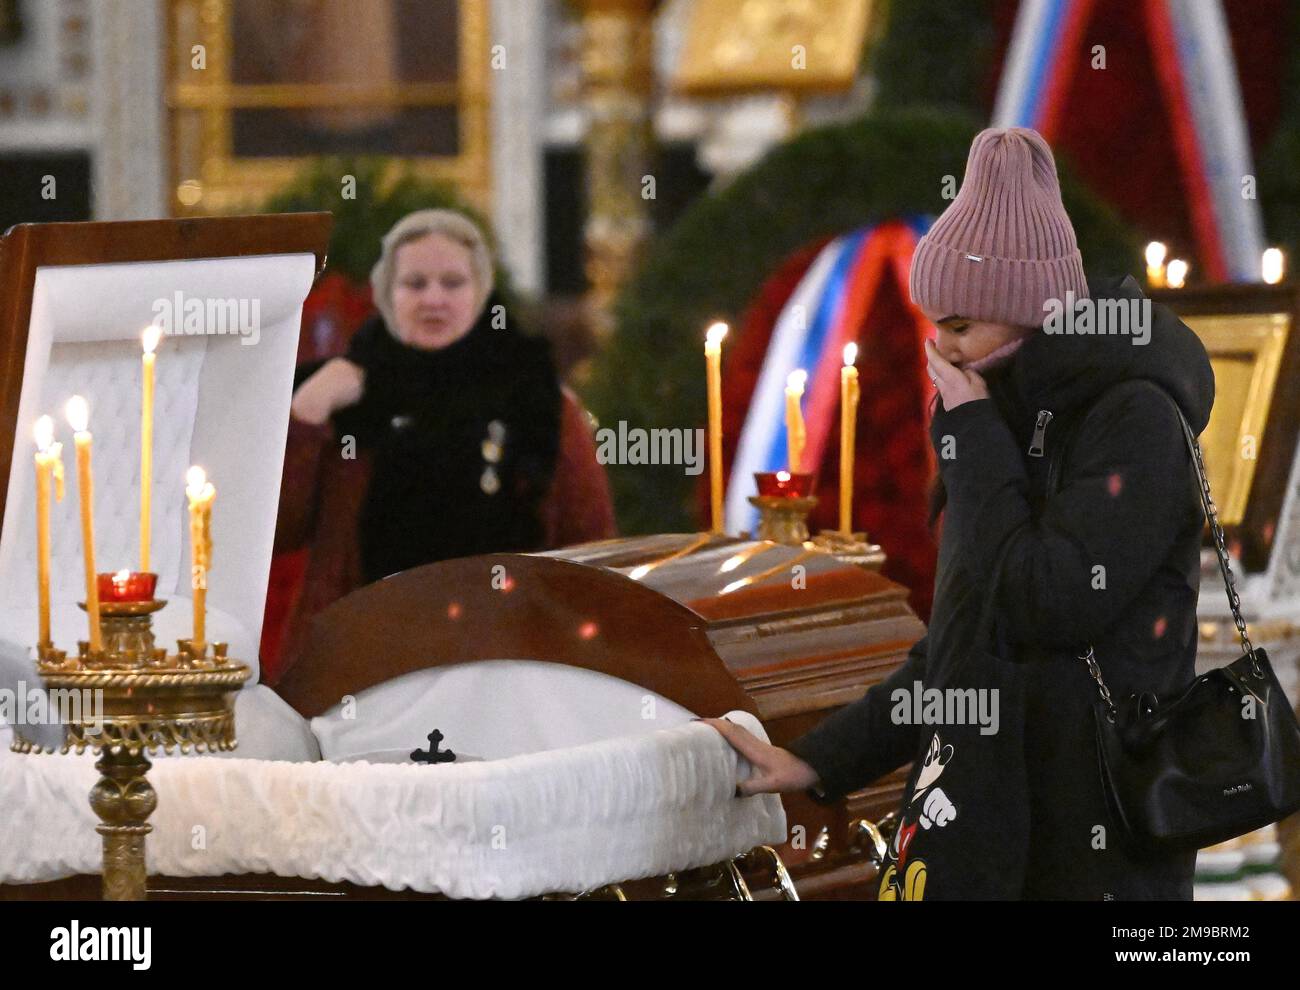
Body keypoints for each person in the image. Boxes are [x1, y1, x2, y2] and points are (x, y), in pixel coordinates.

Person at [704, 127, 1214, 901]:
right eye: (934, 323)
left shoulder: (1132, 419)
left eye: (959, 326)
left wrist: (973, 434)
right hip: (979, 825)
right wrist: (818, 759)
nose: (938, 348)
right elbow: (961, 644)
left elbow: (1048, 600)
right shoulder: (999, 404)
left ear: (1030, 312)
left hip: (1093, 841)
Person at [269, 209, 616, 679]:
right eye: (415, 283)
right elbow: (278, 532)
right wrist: (307, 412)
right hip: (357, 670)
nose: (434, 299)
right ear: (387, 294)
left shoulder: (538, 404)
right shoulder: (345, 398)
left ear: (481, 293)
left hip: (507, 665)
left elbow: (590, 552)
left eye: (452, 283)